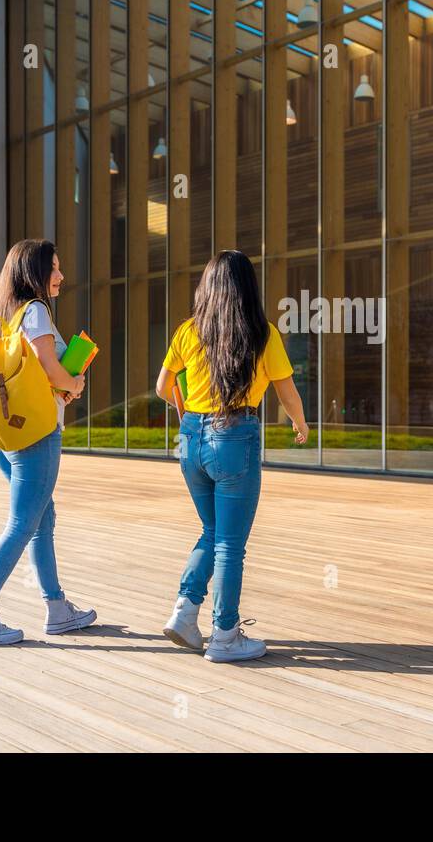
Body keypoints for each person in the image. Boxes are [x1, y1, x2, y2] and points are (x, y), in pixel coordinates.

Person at [157, 251, 309, 663]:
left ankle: (185, 614)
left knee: (212, 531)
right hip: (235, 437)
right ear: (248, 287)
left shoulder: (188, 331)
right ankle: (225, 634)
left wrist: (187, 412)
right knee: (229, 544)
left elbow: (161, 386)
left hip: (191, 439)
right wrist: (300, 422)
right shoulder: (262, 333)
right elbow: (285, 391)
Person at [0, 239, 97, 645]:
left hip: (4, 437)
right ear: (31, 273)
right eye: (52, 268)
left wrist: (62, 383)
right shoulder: (35, 312)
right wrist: (73, 384)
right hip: (36, 436)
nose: (60, 276)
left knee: (41, 520)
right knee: (22, 523)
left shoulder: (3, 318)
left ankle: (57, 609)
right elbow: (49, 367)